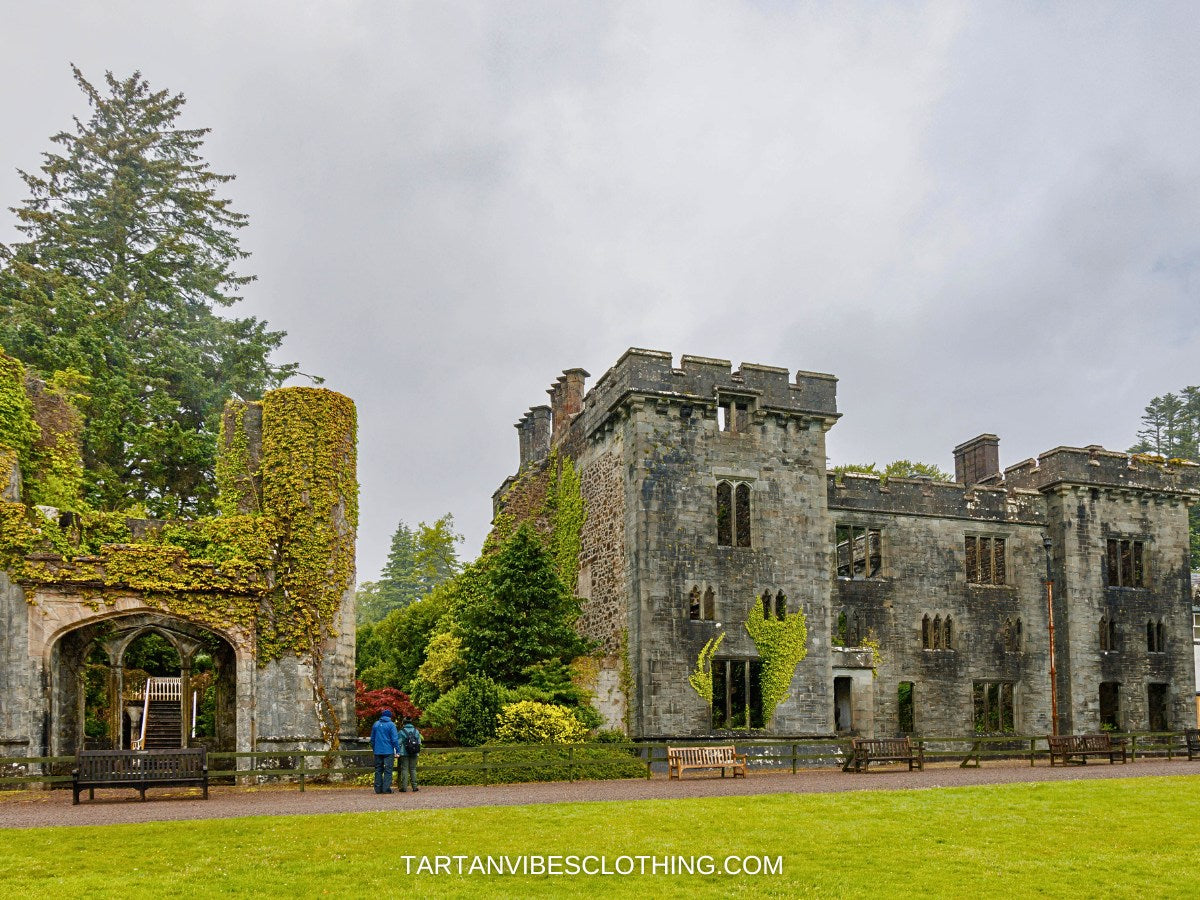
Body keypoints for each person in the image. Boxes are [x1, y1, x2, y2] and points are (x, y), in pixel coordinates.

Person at [370, 708, 401, 794]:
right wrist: (397, 751)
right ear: (390, 717)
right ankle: (386, 789)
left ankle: (378, 789)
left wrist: (374, 748)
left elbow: (372, 739)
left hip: (378, 751)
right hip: (388, 751)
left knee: (378, 770)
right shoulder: (391, 725)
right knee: (388, 770)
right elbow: (395, 739)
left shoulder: (376, 724)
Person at [397, 716, 423, 792]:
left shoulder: (401, 731)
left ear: (403, 723)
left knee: (404, 769)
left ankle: (404, 787)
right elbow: (419, 742)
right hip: (414, 752)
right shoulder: (416, 731)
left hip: (404, 753)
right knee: (413, 769)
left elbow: (398, 742)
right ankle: (414, 787)